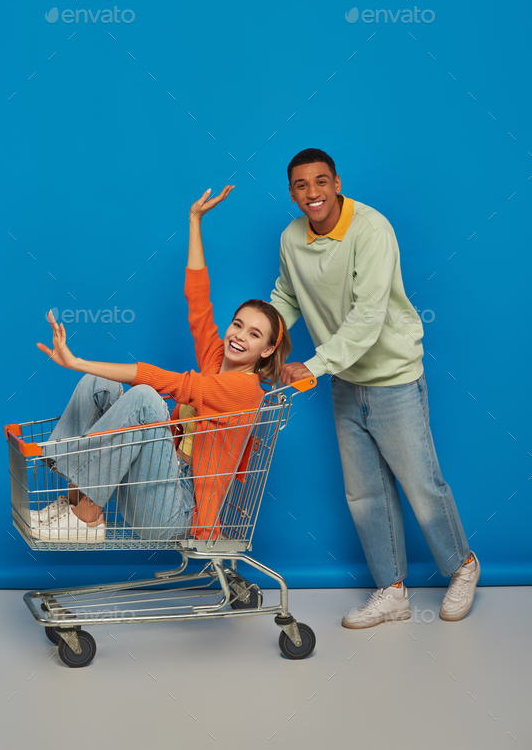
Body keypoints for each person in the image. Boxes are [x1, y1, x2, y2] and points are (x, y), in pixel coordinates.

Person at [270, 148, 480, 625]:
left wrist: (315, 364)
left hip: (393, 379)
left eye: (320, 182)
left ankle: (463, 566)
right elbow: (285, 295)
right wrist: (260, 337)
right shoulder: (290, 237)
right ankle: (392, 591)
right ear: (292, 193)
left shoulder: (371, 229)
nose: (312, 193)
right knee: (364, 493)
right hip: (344, 380)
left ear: (337, 182)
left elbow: (369, 315)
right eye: (301, 186)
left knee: (422, 486)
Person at [31, 185, 292, 544]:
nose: (240, 336)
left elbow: (169, 383)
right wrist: (194, 220)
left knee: (146, 398)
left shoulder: (246, 390)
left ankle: (86, 518)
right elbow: (198, 302)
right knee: (98, 385)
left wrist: (76, 361)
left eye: (254, 334)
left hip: (179, 509)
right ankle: (75, 498)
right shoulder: (216, 360)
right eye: (238, 324)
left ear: (266, 350)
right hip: (149, 479)